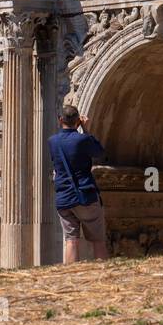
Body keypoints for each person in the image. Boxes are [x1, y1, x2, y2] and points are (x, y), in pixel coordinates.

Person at [48, 104, 109, 263]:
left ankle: (71, 276)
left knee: (71, 240)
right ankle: (103, 274)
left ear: (60, 120)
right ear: (78, 120)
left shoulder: (52, 141)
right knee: (98, 240)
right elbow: (99, 152)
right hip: (85, 195)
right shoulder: (82, 139)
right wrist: (86, 129)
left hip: (63, 198)